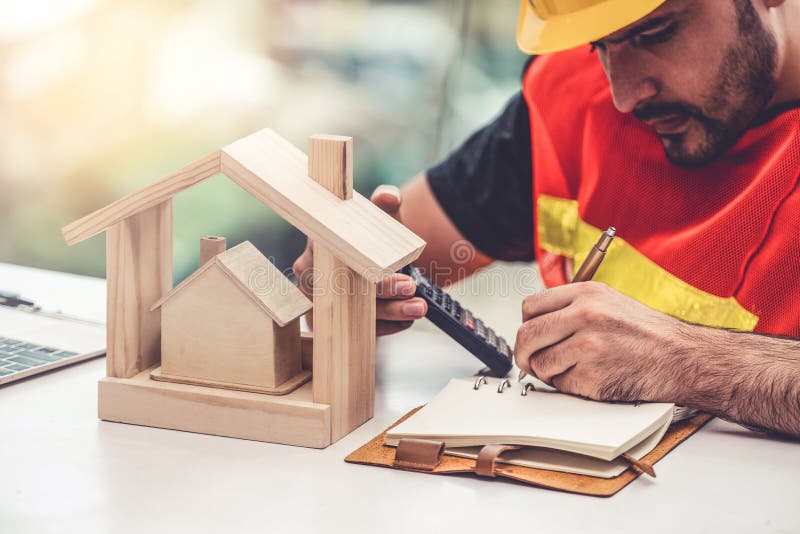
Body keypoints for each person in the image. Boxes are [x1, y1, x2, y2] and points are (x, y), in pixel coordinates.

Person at [293, 0, 800, 437]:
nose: (624, 95)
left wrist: (690, 363)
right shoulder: (572, 97)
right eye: (598, 45)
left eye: (655, 33)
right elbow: (398, 246)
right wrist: (346, 271)